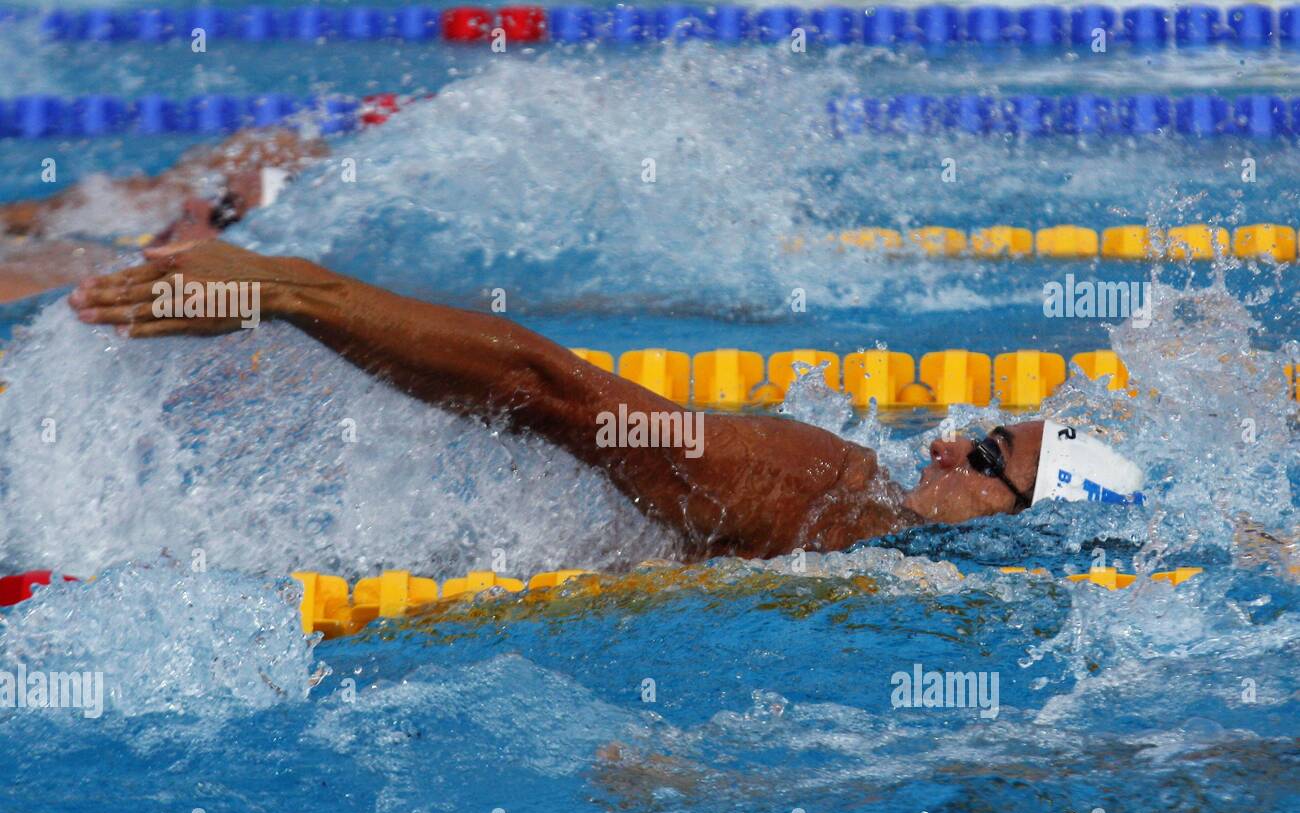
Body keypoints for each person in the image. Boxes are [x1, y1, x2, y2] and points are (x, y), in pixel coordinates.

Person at [66, 239, 1147, 562]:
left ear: (1022, 523)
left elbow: (545, 386)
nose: (948, 439)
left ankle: (290, 280)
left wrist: (296, 288)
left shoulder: (826, 505)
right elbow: (554, 397)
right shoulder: (823, 487)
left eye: (985, 454)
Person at [0, 128, 326, 303]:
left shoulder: (82, 278)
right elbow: (277, 144)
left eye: (223, 210)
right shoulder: (106, 246)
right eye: (214, 191)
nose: (191, 204)